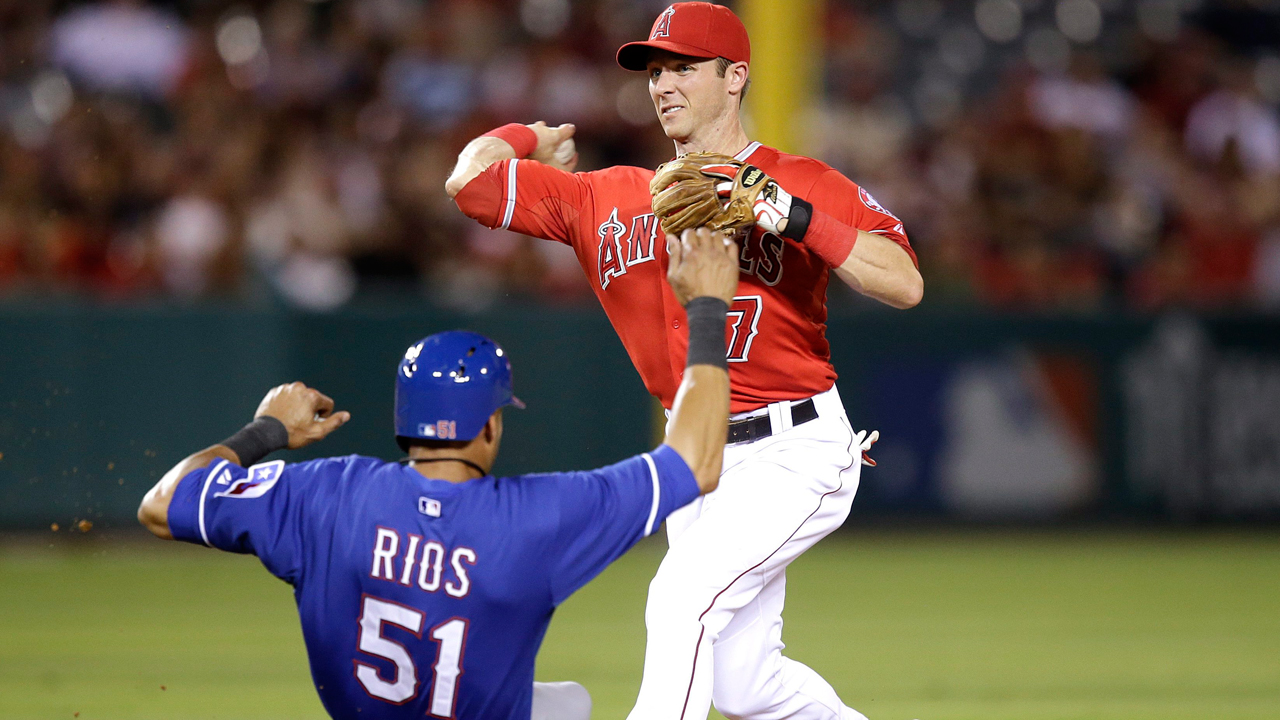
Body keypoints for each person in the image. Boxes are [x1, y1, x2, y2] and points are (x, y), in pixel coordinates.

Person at [445, 3, 923, 719]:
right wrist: (528, 136)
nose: (663, 84)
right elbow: (469, 183)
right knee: (744, 684)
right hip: (693, 455)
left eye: (684, 68)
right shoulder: (604, 197)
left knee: (681, 598)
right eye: (655, 71)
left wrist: (787, 213)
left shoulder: (799, 181)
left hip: (794, 446)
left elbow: (904, 282)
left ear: (735, 78)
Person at [137, 227, 741, 720]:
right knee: (572, 704)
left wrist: (267, 431)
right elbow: (696, 460)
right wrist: (709, 309)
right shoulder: (536, 518)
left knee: (565, 705)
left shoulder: (325, 494)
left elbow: (163, 504)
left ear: (405, 420)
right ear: (490, 426)